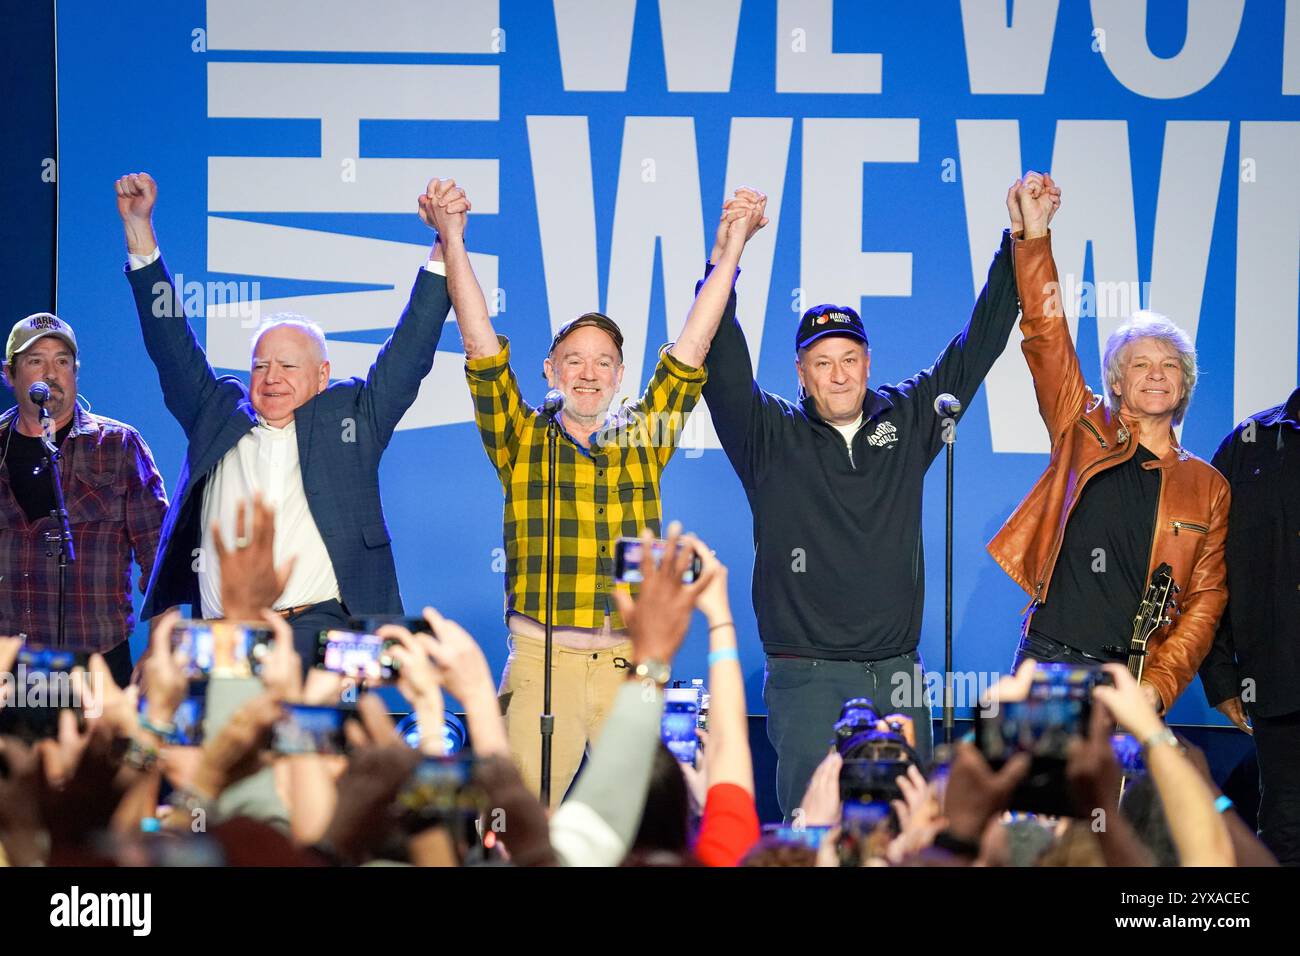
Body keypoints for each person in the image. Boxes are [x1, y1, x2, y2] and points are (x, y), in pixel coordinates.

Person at [425, 175, 768, 799]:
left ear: (620, 377)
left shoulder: (647, 436)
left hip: (625, 662)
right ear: (550, 371)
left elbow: (694, 342)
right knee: (514, 823)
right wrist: (453, 239)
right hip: (538, 661)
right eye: (574, 360)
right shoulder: (521, 438)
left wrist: (732, 252)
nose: (588, 372)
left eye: (604, 361)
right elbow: (478, 342)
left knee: (639, 828)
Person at [701, 182, 1031, 818]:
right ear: (801, 372)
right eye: (822, 362)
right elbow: (720, 356)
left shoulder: (908, 420)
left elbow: (977, 346)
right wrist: (727, 256)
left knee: (911, 837)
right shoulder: (769, 437)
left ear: (868, 360)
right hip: (807, 680)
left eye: (850, 358)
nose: (840, 373)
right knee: (810, 833)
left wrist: (1018, 243)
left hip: (900, 676)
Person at [114, 172, 453, 661]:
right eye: (260, 365)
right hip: (222, 635)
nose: (271, 377)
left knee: (314, 739)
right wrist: (139, 232)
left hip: (316, 631)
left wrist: (444, 242)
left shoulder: (351, 422)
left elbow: (410, 352)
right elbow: (170, 343)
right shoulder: (215, 414)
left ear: (322, 376)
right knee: (224, 741)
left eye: (289, 366)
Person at [987, 173, 1229, 716]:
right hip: (1047, 661)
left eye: (1170, 366)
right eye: (1139, 364)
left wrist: (1160, 685)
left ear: (1185, 384)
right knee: (1027, 802)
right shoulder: (1083, 426)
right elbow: (1046, 334)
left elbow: (1205, 602)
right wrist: (1034, 238)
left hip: (1128, 680)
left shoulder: (1207, 487)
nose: (1156, 374)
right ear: (1115, 382)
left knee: (1108, 806)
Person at [0, 312, 168, 686]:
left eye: (62, 361)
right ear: (9, 374)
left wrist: (159, 650)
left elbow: (161, 560)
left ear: (76, 372)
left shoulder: (119, 445)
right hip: (8, 670)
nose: (51, 373)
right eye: (35, 361)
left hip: (98, 668)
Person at [1199, 386, 1300, 864]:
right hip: (1280, 685)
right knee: (1285, 831)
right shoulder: (1249, 444)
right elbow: (1209, 567)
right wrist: (1220, 675)